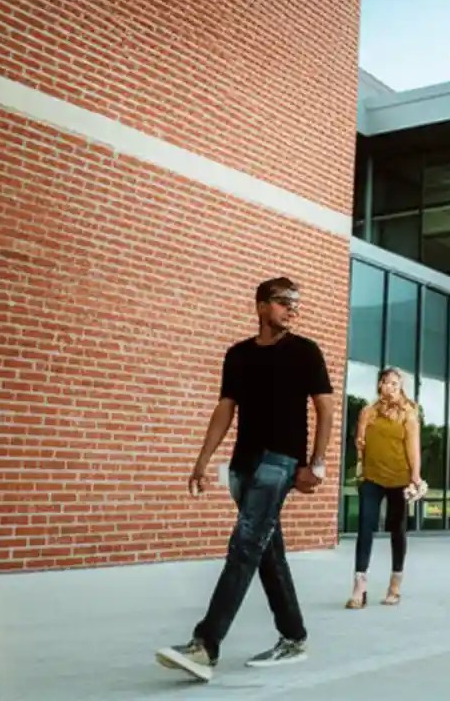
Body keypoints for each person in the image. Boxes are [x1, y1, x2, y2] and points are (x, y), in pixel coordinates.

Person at [156, 277, 333, 682]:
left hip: (281, 462)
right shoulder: (237, 355)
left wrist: (317, 464)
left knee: (244, 545)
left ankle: (206, 645)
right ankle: (293, 636)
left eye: (296, 304)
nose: (293, 309)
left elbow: (324, 408)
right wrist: (203, 460)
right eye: (284, 302)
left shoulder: (306, 352)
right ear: (261, 306)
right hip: (243, 465)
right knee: (267, 552)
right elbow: (225, 410)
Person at [345, 367, 423, 609]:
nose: (390, 387)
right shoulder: (368, 412)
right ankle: (359, 587)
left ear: (401, 388)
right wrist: (360, 448)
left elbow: (413, 449)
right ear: (380, 385)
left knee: (397, 530)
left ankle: (395, 584)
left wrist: (415, 478)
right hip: (372, 478)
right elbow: (360, 443)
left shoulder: (409, 415)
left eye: (395, 384)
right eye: (386, 383)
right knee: (365, 528)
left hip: (399, 480)